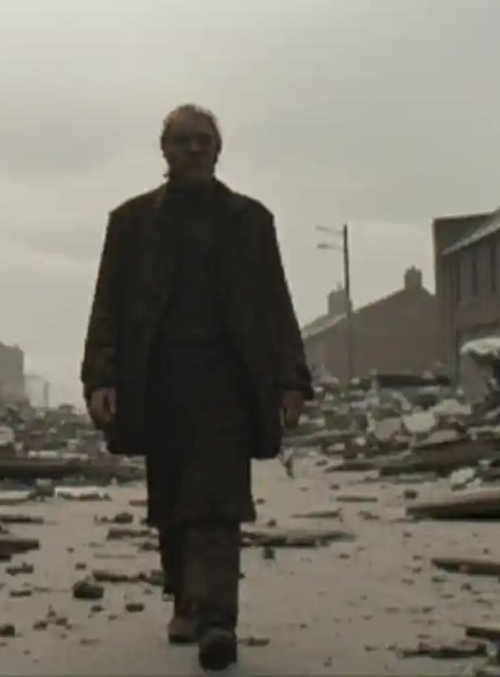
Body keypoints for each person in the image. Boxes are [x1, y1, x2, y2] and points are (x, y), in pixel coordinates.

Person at [80, 104, 312, 671]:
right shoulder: (132, 222)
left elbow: (275, 303)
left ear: (218, 148)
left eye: (203, 139)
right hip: (157, 379)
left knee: (219, 498)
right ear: (164, 150)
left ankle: (215, 621)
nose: (194, 148)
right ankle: (184, 598)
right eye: (183, 140)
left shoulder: (249, 220)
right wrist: (102, 377)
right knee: (172, 496)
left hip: (229, 381)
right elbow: (107, 303)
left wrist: (289, 380)